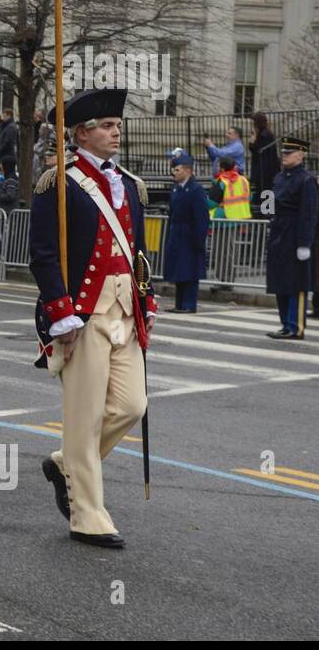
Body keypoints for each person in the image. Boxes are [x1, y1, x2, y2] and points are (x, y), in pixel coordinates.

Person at [30, 87, 156, 549]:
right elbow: (42, 254)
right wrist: (60, 311)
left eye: (117, 126)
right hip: (83, 314)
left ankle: (67, 464)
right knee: (82, 418)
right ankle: (87, 513)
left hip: (125, 307)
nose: (115, 132)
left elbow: (138, 253)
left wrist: (147, 300)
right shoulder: (57, 183)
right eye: (106, 126)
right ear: (81, 133)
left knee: (130, 405)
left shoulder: (130, 184)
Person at [264, 136, 317, 340]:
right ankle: (285, 324)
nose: (284, 156)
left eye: (289, 153)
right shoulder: (278, 177)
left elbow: (308, 213)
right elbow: (268, 201)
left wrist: (304, 243)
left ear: (301, 155)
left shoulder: (306, 180)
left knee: (296, 284)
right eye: (284, 152)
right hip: (279, 232)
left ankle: (296, 326)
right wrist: (268, 214)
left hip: (295, 234)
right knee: (281, 282)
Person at [164, 150, 210, 312]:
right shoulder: (176, 189)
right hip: (177, 234)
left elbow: (201, 218)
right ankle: (179, 303)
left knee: (189, 271)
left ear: (188, 170)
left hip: (190, 235)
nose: (173, 173)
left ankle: (189, 304)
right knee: (179, 270)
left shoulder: (196, 190)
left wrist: (198, 240)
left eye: (177, 170)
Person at [248, 112, 280, 211]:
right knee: (263, 192)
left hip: (265, 170)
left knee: (265, 192)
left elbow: (260, 151)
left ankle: (266, 213)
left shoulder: (264, 135)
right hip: (265, 168)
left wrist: (253, 142)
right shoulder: (264, 134)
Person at [0, 108, 19, 177]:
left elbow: (8, 141)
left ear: (9, 115)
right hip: (7, 155)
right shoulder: (7, 126)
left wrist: (0, 149)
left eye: (4, 115)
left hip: (8, 156)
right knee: (8, 174)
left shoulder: (10, 127)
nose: (3, 117)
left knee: (9, 174)